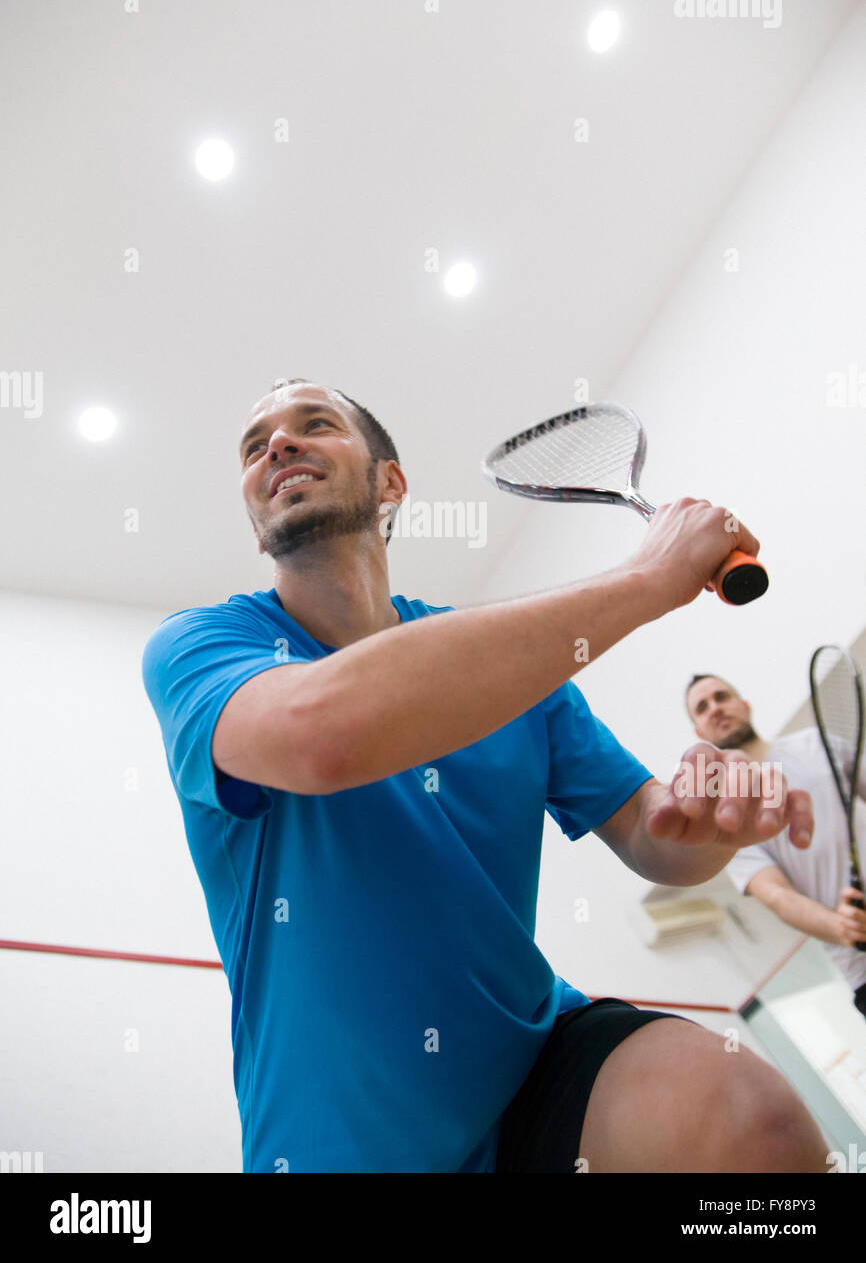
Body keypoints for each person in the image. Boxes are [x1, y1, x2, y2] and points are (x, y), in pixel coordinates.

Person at [142, 377, 826, 1173]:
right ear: (257, 520)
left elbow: (654, 836)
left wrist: (707, 824)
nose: (278, 446)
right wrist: (647, 580)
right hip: (340, 1142)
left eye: (313, 424)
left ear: (390, 484)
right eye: (255, 446)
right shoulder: (200, 647)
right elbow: (319, 736)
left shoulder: (508, 668)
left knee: (749, 1124)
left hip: (531, 1059)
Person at [685, 674, 866, 1019]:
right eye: (702, 708)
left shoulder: (816, 743)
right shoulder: (726, 821)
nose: (715, 709)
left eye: (722, 696)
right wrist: (841, 927)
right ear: (699, 733)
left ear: (745, 705)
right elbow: (778, 897)